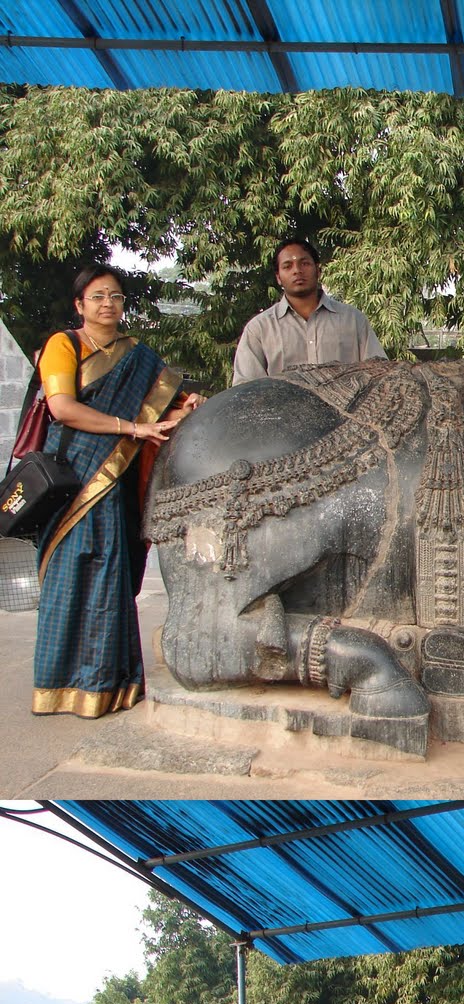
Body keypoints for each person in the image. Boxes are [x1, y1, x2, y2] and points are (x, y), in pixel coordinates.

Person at [34, 266, 204, 718]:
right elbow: (63, 408)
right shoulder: (63, 345)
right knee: (72, 575)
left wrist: (186, 408)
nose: (107, 303)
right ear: (80, 305)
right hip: (74, 475)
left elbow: (161, 413)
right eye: (97, 296)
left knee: (112, 573)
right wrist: (130, 427)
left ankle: (108, 684)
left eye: (115, 296)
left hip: (120, 477)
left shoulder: (137, 355)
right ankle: (61, 682)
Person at [232, 238, 386, 384]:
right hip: (283, 412)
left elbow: (381, 376)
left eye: (304, 263)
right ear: (278, 277)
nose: (297, 271)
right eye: (287, 266)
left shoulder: (352, 320)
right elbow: (246, 390)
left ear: (318, 270)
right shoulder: (259, 329)